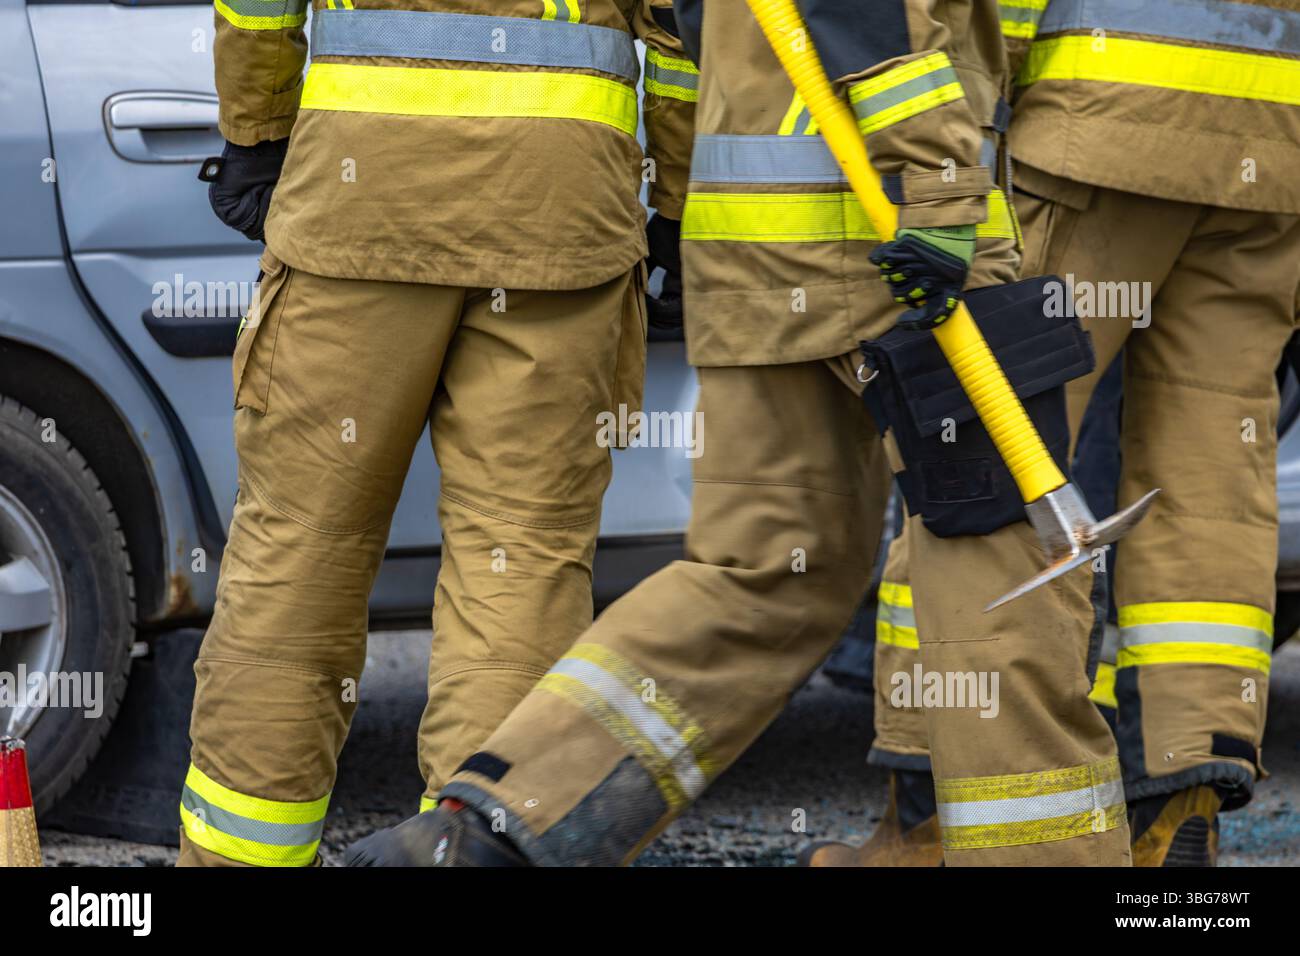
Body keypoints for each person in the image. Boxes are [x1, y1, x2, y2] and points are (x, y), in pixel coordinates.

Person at [347, 0, 1133, 867]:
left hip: (757, 247)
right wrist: (944, 186)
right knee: (1002, 580)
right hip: (896, 237)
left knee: (761, 572)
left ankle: (492, 826)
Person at [177, 0, 697, 867]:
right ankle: (473, 855)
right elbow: (677, 25)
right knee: (520, 562)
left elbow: (260, 8)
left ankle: (237, 861)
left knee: (300, 553)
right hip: (557, 217)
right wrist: (677, 199)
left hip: (360, 197)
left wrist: (257, 130)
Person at [808, 0, 1300, 867]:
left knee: (986, 459)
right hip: (1272, 142)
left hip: (1102, 116)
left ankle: (930, 819)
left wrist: (962, 142)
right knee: (1211, 482)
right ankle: (1175, 805)